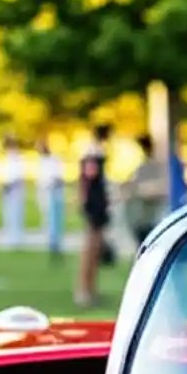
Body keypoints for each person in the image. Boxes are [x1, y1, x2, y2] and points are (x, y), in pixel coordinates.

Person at [77, 124, 112, 307]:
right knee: (90, 249)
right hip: (95, 206)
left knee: (95, 250)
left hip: (97, 205)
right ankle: (84, 289)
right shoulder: (94, 154)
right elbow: (88, 180)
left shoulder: (93, 152)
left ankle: (90, 288)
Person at [121, 135, 168, 247]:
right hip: (140, 218)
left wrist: (139, 189)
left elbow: (161, 188)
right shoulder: (140, 168)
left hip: (153, 217)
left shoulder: (156, 166)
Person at [35, 139, 65, 260]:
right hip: (45, 193)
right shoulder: (42, 161)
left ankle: (55, 243)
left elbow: (59, 178)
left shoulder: (54, 160)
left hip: (54, 193)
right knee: (46, 218)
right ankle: (50, 241)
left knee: (54, 220)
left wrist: (51, 185)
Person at [0, 135, 26, 249]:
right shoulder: (8, 159)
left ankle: (16, 239)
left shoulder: (18, 159)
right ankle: (10, 237)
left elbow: (18, 177)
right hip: (8, 191)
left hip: (15, 191)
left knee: (16, 215)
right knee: (8, 215)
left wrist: (9, 186)